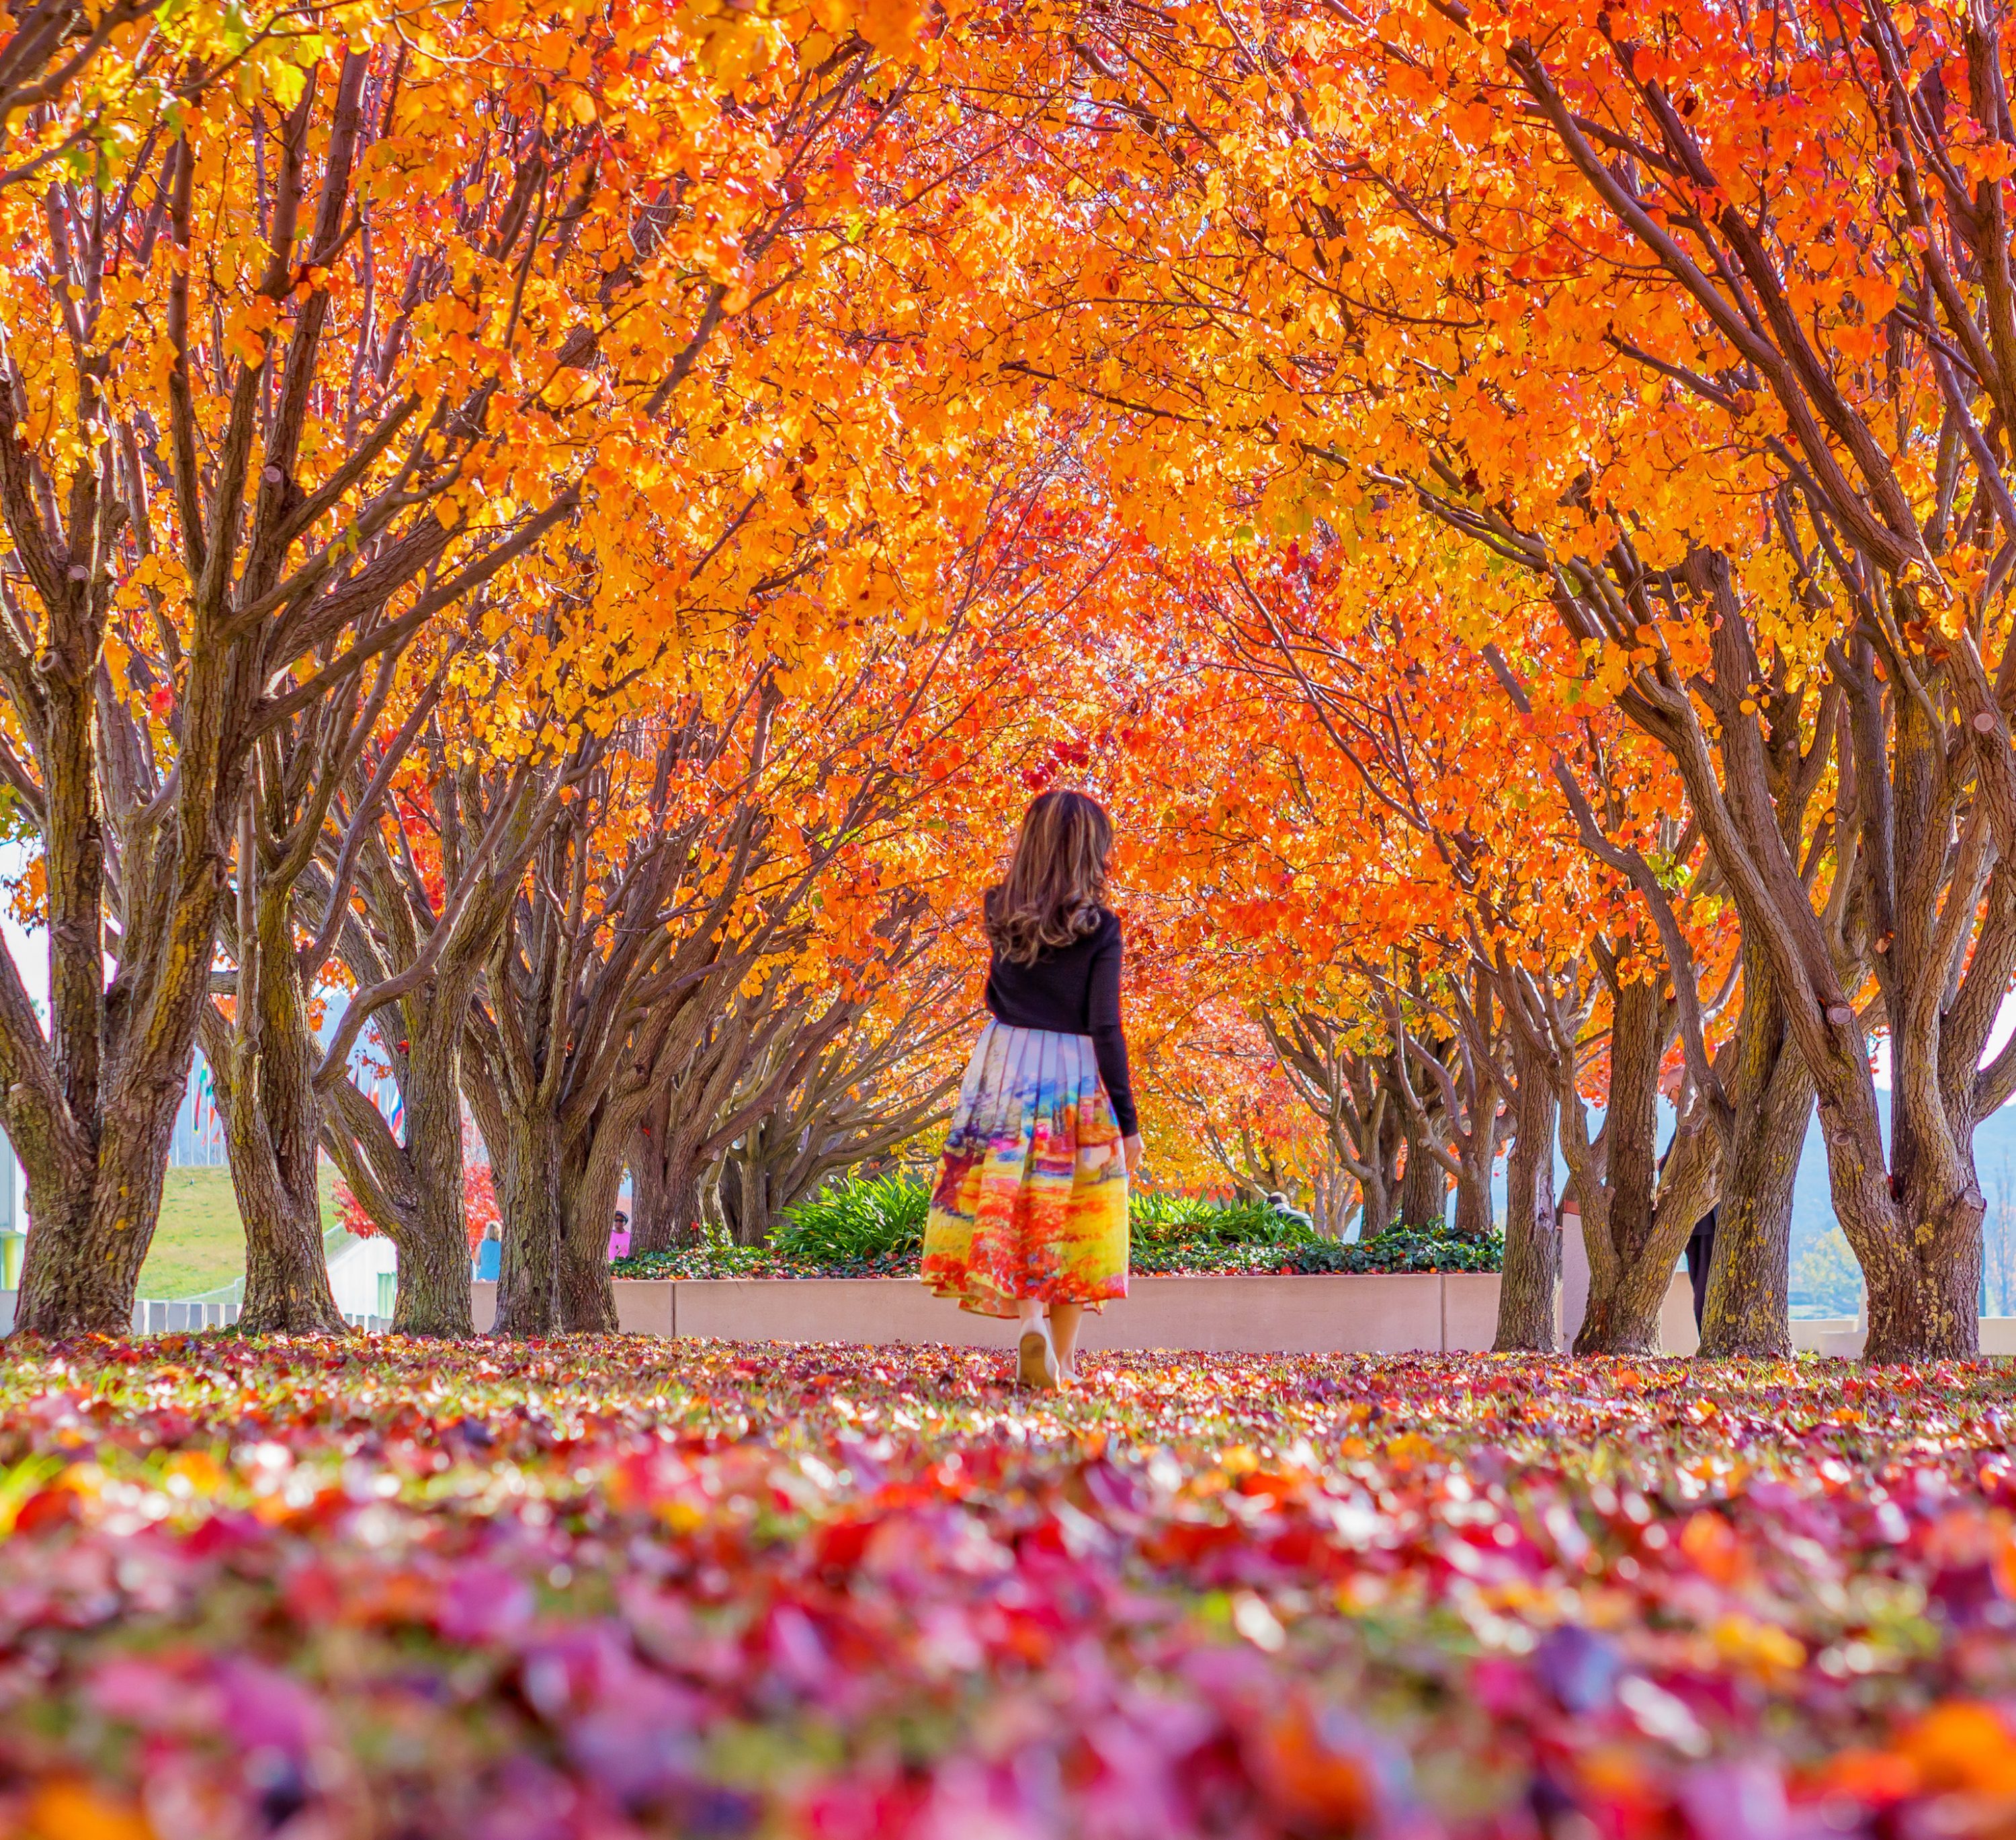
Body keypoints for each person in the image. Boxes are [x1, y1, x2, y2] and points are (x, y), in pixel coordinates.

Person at [921, 788, 1142, 1390]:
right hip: (1073, 1077)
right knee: (1075, 1208)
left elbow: (998, 995)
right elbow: (1105, 1025)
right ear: (1089, 851)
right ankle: (1064, 1362)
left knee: (1014, 1200)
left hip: (1006, 1070)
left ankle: (1031, 1323)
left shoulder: (999, 909)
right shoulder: (1101, 929)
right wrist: (1127, 1120)